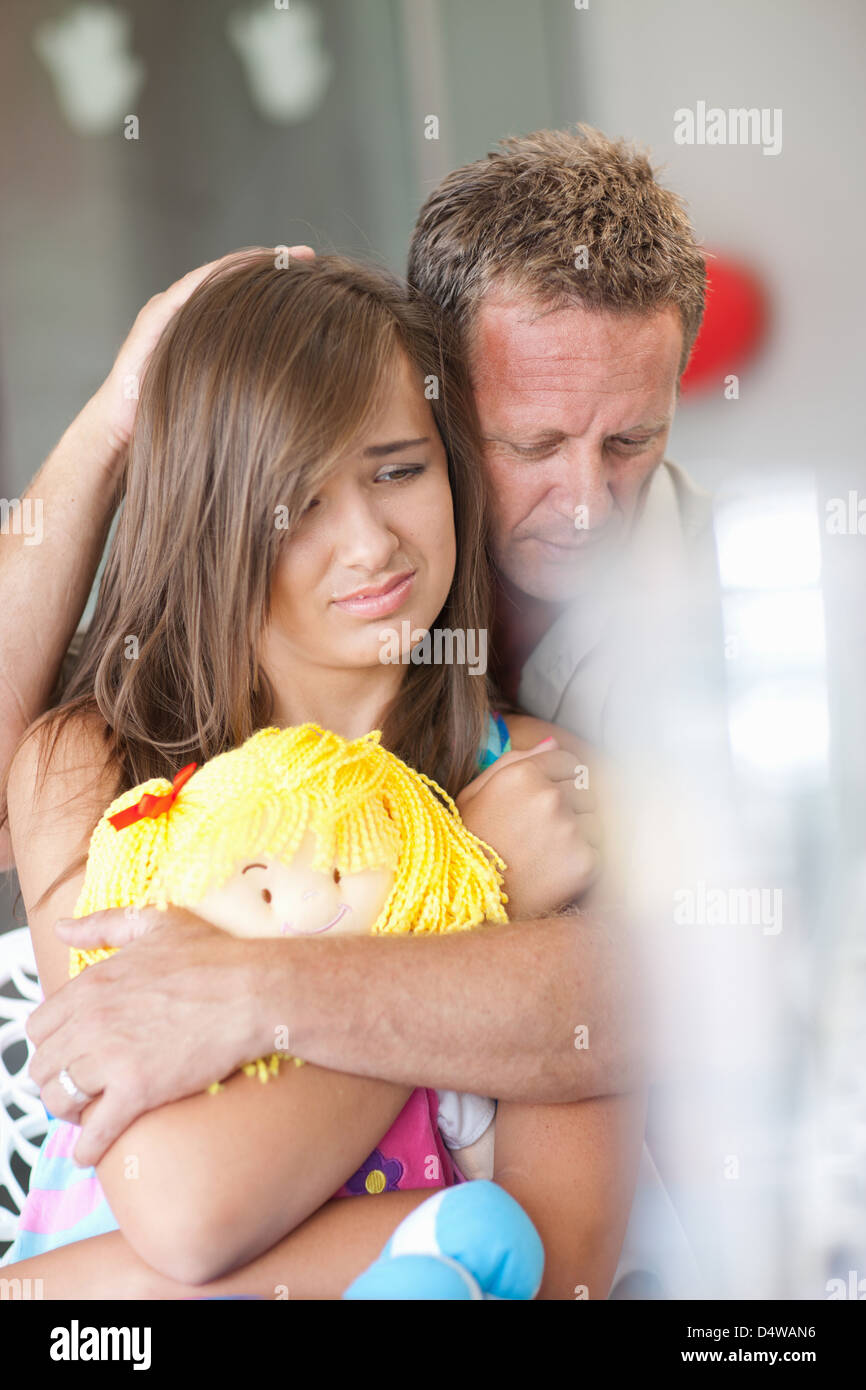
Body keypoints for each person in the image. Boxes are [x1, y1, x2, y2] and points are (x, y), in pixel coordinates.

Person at [0, 125, 714, 1290]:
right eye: (298, 501)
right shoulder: (93, 772)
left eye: (397, 469)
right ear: (214, 515)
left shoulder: (552, 784)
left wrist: (56, 1289)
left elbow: (561, 1259)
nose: (371, 541)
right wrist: (464, 886)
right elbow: (188, 1209)